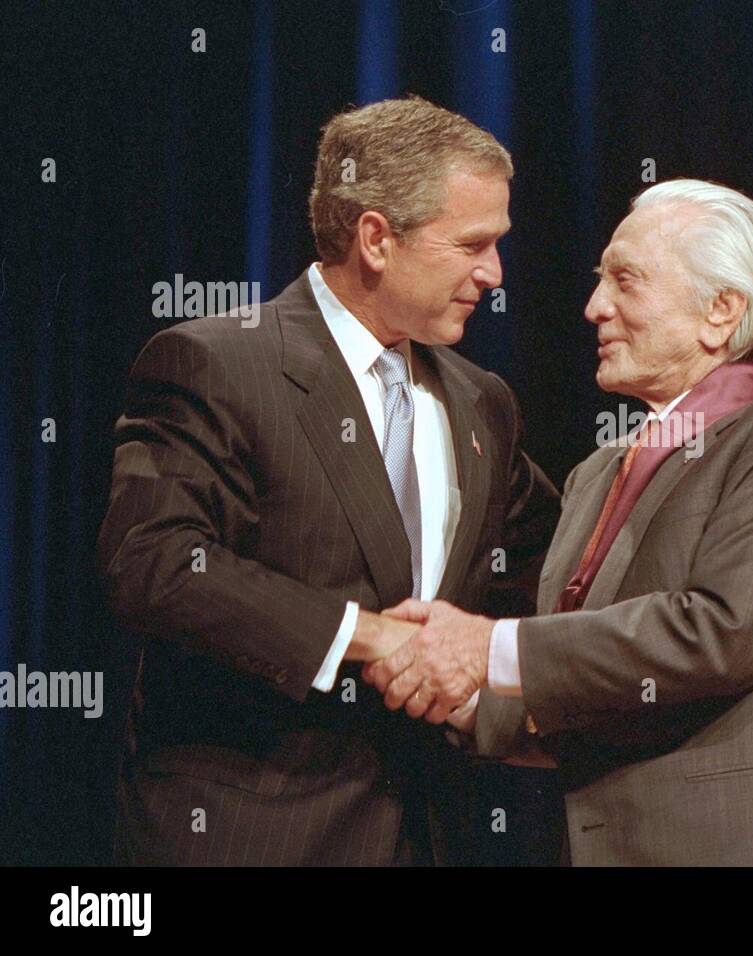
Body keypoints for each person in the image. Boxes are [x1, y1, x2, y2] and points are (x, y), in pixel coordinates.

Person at [96, 95, 558, 865]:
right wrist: (368, 637)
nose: (494, 274)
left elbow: (554, 564)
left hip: (432, 833)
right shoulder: (218, 364)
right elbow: (154, 563)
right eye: (472, 244)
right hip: (251, 834)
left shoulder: (483, 402)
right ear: (377, 238)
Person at [365, 179, 753, 865]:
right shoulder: (598, 475)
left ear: (721, 311)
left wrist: (488, 649)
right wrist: (459, 695)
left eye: (625, 281)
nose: (594, 307)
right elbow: (598, 685)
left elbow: (725, 629)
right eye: (600, 281)